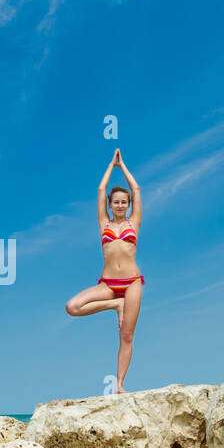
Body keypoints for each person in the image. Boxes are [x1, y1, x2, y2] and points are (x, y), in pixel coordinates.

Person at [64, 148, 144, 394]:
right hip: (108, 285)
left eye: (124, 202)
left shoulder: (134, 221)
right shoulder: (104, 223)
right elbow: (100, 190)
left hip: (131, 282)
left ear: (128, 204)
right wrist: (111, 165)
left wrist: (124, 167)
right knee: (73, 307)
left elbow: (137, 189)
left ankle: (119, 385)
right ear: (110, 205)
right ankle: (115, 306)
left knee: (127, 335)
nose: (120, 205)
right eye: (116, 202)